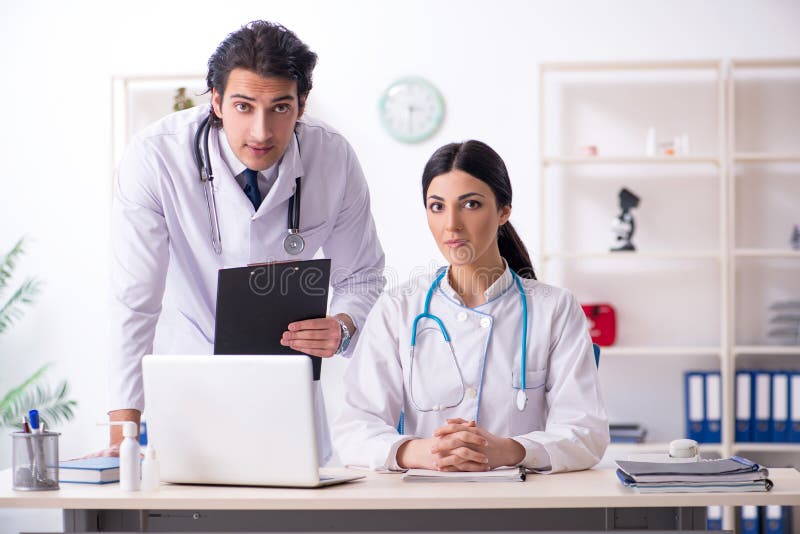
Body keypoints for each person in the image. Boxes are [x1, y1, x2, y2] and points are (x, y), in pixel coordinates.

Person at [104, 21, 385, 460]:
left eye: (279, 108)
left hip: (288, 391)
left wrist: (343, 326)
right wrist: (123, 434)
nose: (260, 132)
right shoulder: (156, 157)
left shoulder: (332, 158)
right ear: (215, 102)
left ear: (302, 105)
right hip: (190, 385)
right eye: (243, 106)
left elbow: (363, 275)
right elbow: (134, 302)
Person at [334, 140, 608, 473]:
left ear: (504, 211)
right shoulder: (397, 310)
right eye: (437, 206)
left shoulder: (555, 309)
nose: (452, 224)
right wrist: (427, 452)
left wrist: (508, 451)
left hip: (524, 508)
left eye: (471, 204)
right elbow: (354, 429)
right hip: (422, 509)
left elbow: (586, 433)